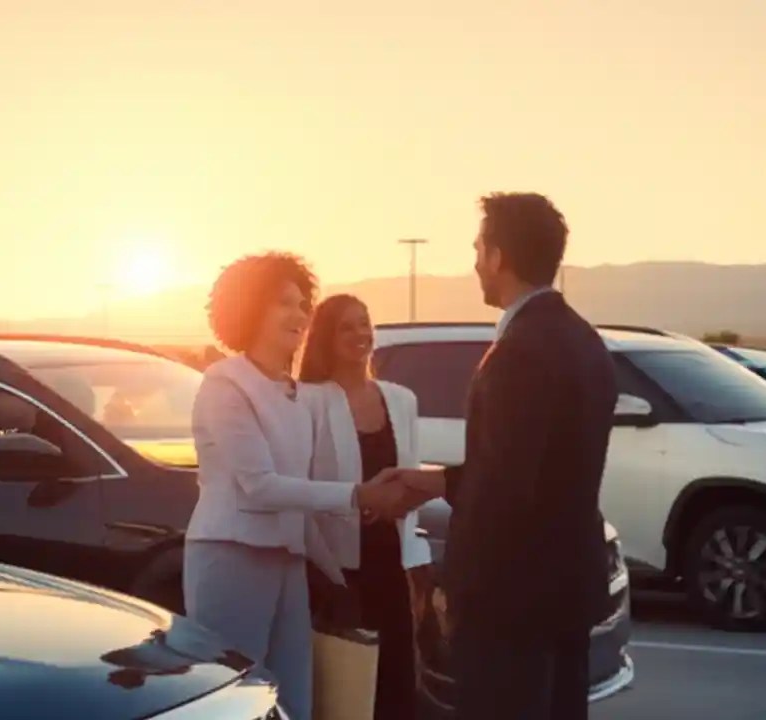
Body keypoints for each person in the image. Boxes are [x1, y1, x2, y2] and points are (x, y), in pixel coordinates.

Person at [390, 193, 617, 720]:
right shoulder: (585, 340)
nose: (473, 263)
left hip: (512, 600)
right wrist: (431, 481)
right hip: (566, 587)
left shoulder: (519, 351)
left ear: (497, 256)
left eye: (478, 247)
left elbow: (505, 491)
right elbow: (536, 469)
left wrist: (455, 587)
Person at [183, 253, 412, 720]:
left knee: (294, 703)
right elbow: (260, 488)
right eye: (283, 303)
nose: (299, 314)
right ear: (249, 310)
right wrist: (358, 494)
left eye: (303, 303)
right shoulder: (225, 383)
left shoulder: (292, 392)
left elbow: (300, 503)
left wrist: (334, 578)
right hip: (231, 559)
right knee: (236, 702)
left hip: (288, 563)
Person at [299, 294, 432, 720]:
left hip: (391, 563)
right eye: (346, 327)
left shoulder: (402, 399)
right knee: (347, 693)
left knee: (396, 685)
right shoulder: (309, 401)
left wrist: (414, 560)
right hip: (334, 571)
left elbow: (410, 478)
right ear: (326, 338)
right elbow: (303, 490)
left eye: (365, 322)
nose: (360, 334)